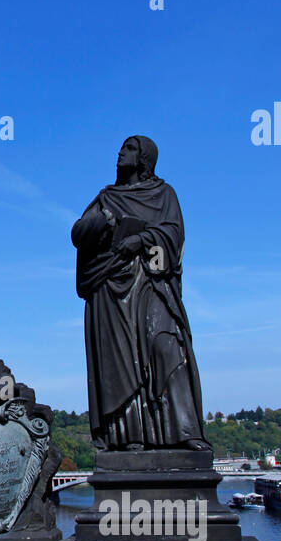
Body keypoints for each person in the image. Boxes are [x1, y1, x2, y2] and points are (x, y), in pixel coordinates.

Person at [71, 136, 209, 451]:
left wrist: (142, 239)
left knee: (166, 346)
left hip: (152, 282)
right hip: (111, 287)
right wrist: (102, 222)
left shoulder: (163, 194)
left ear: (145, 158)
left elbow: (174, 234)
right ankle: (128, 437)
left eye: (130, 148)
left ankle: (185, 431)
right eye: (121, 147)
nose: (121, 152)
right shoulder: (106, 198)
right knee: (121, 361)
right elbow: (78, 234)